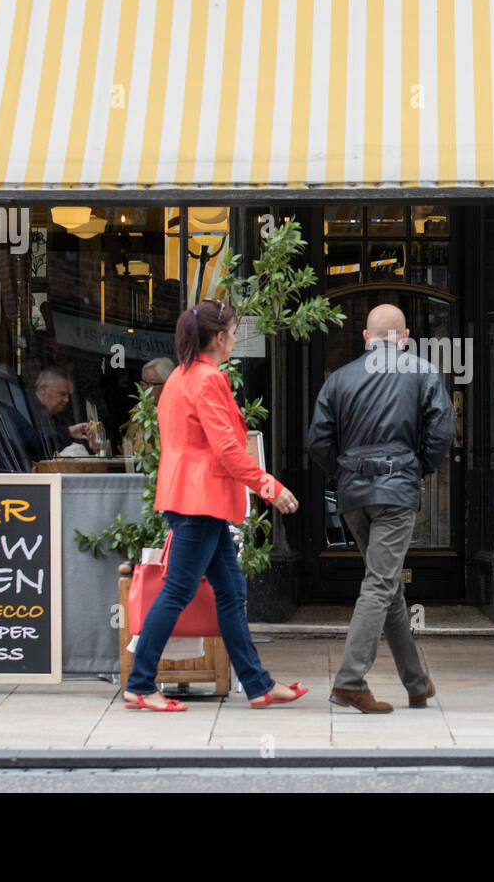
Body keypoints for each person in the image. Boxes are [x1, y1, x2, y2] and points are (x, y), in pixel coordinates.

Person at [123, 300, 305, 712]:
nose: (235, 340)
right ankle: (140, 684)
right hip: (200, 500)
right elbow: (226, 447)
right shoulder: (208, 380)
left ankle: (258, 684)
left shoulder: (181, 378)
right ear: (219, 338)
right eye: (234, 333)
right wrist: (267, 486)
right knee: (178, 591)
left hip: (188, 496)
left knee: (230, 590)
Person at [307, 304, 455, 714]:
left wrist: (344, 469)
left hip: (354, 493)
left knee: (388, 584)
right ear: (404, 336)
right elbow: (442, 432)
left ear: (367, 338)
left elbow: (318, 441)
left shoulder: (339, 379)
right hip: (395, 490)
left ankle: (416, 682)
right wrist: (418, 466)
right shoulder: (422, 372)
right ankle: (350, 681)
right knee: (380, 582)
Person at [0, 367, 90, 470]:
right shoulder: (19, 406)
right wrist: (68, 432)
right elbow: (28, 439)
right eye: (62, 394)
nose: (67, 400)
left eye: (68, 395)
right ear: (43, 389)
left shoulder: (57, 417)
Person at [120, 356, 175, 457]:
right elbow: (128, 449)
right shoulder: (138, 412)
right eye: (144, 383)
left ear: (168, 384)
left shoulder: (177, 413)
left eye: (152, 384)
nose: (145, 389)